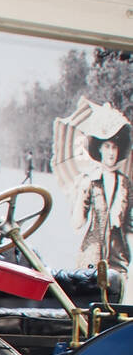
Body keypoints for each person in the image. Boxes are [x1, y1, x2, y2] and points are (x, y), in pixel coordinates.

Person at [72, 114, 131, 282]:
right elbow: (77, 223)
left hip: (117, 254)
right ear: (99, 148)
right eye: (107, 146)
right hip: (93, 252)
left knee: (115, 298)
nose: (111, 152)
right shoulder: (91, 180)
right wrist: (81, 192)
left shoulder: (125, 183)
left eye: (114, 147)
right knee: (91, 297)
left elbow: (129, 224)